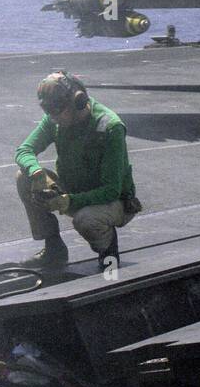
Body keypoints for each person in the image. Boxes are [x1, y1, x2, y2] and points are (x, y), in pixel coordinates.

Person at [15, 72, 141, 269]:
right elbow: (24, 150)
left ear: (78, 101)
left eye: (57, 111)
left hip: (111, 201)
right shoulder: (55, 119)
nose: (53, 118)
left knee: (86, 220)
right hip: (73, 192)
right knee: (24, 177)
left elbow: (111, 190)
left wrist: (69, 201)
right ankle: (54, 249)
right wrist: (35, 172)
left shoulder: (109, 127)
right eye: (49, 112)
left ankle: (108, 251)